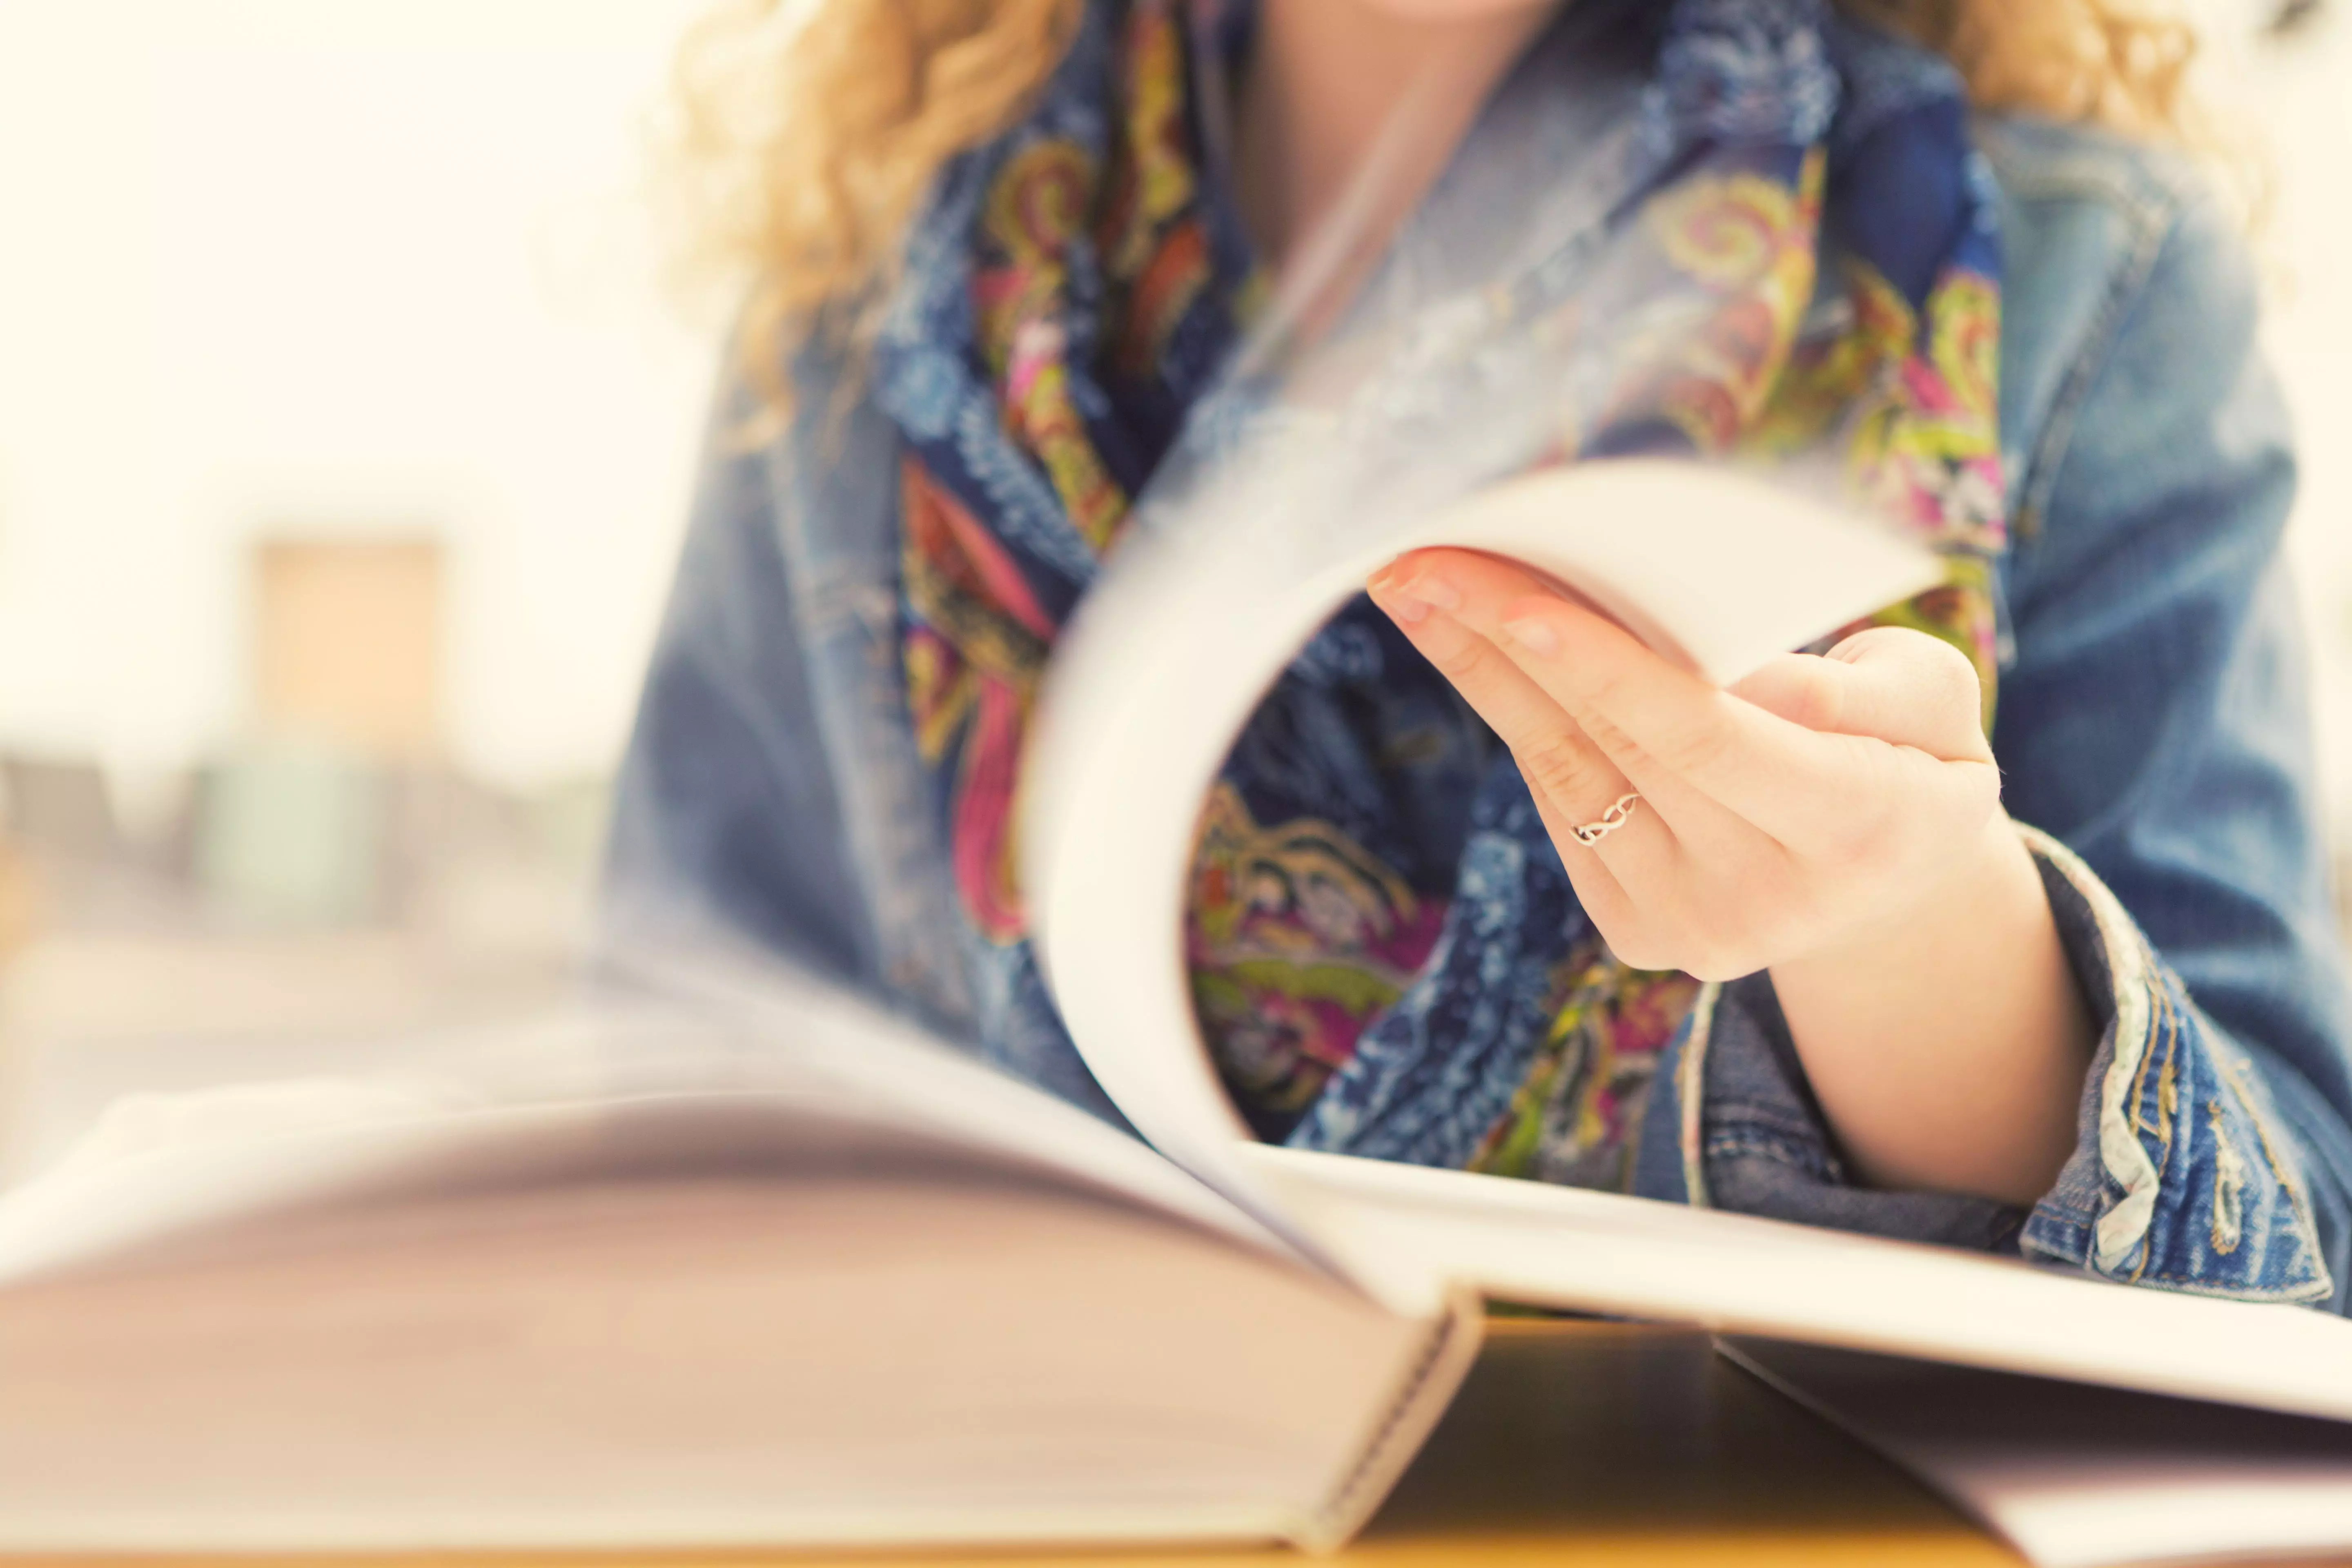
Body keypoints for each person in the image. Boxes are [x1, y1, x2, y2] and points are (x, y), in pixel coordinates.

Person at [609, 0, 2352, 1311]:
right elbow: (678, 1137)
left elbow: (2293, 1272)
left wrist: (1914, 935)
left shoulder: (2086, 276)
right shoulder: (870, 321)